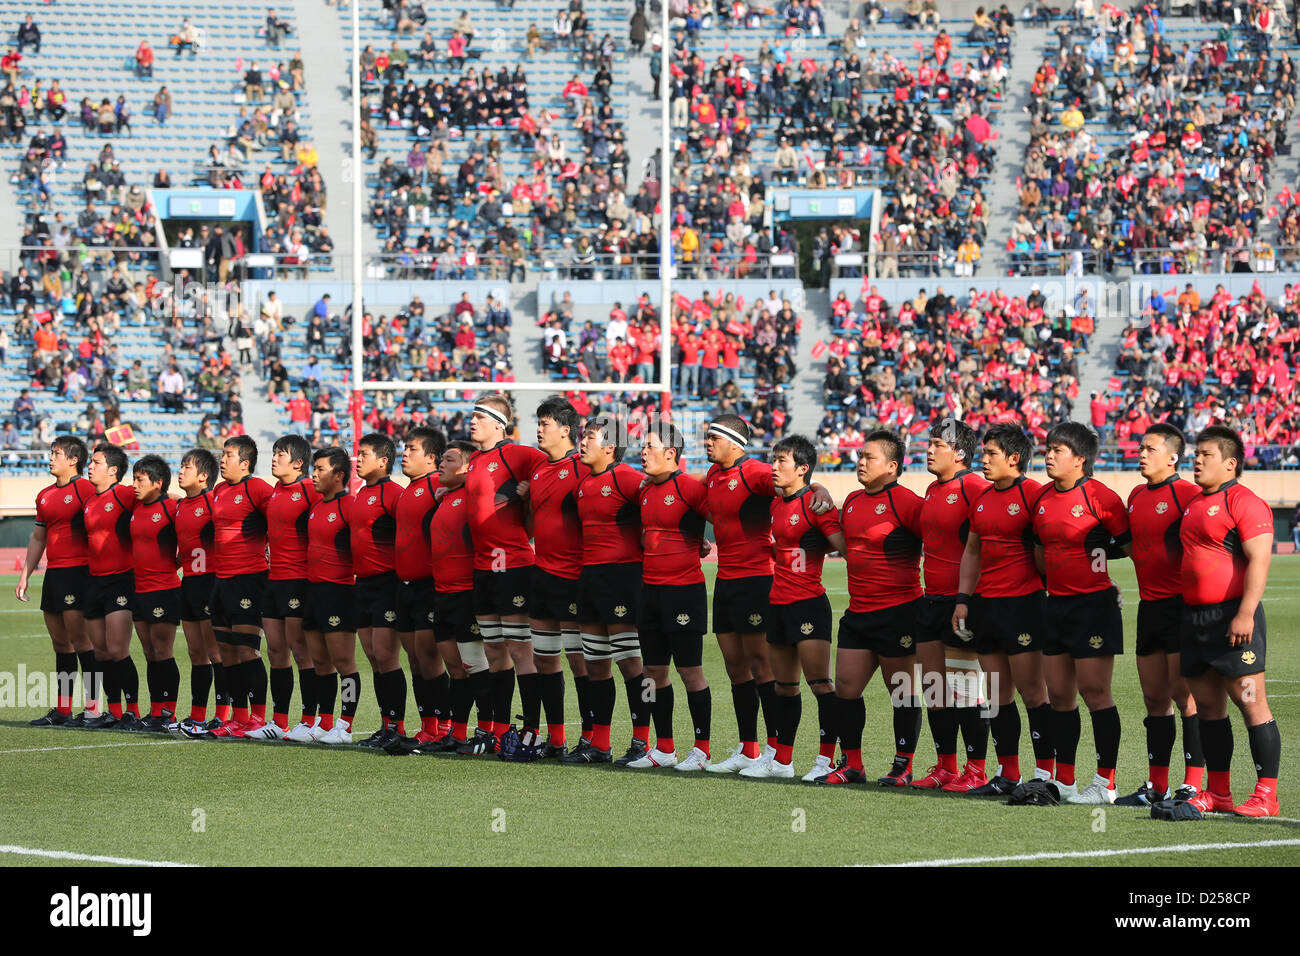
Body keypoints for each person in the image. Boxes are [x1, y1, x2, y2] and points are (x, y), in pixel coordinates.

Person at [702, 415, 834, 774]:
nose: (707, 442)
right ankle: (749, 750)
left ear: (734, 443)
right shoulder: (713, 477)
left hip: (758, 582)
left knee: (763, 667)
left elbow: (797, 482)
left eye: (713, 437)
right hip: (725, 582)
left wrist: (820, 487)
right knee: (734, 668)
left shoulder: (756, 472)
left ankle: (778, 752)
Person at [1181, 427, 1281, 817]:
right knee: (1208, 709)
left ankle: (1266, 794)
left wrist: (1245, 611)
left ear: (1230, 463)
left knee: (1252, 704)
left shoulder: (1245, 501)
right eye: (1196, 453)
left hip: (1233, 616)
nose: (1197, 459)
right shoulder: (1193, 503)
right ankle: (1218, 792)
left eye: (1206, 454)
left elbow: (1260, 559)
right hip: (1194, 620)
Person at [951, 424, 1055, 796]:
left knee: (1033, 692)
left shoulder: (1035, 495)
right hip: (987, 606)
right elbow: (973, 552)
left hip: (1025, 605)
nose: (984, 459)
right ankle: (1008, 773)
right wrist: (963, 599)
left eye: (991, 453)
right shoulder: (980, 498)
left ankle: (1045, 774)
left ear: (1014, 458)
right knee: (997, 694)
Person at [818, 431, 927, 786]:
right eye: (860, 456)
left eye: (870, 457)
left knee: (902, 691)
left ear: (892, 466)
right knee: (846, 690)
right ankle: (853, 765)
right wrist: (818, 488)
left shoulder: (907, 502)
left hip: (900, 613)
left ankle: (903, 765)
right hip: (858, 614)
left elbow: (939, 538)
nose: (861, 462)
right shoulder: (850, 500)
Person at [1031, 422, 1131, 804]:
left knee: (1095, 692)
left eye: (1059, 449)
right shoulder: (1041, 499)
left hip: (1093, 607)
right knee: (1059, 696)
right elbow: (1040, 552)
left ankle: (1105, 784)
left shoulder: (1101, 497)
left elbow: (1128, 546)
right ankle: (1065, 781)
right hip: (1055, 604)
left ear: (1081, 459)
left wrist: (1102, 576)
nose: (1050, 455)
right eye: (1049, 448)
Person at [739, 434, 845, 780]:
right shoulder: (775, 505)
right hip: (778, 605)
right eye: (773, 459)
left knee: (820, 685)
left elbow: (843, 545)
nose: (773, 466)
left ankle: (825, 761)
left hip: (809, 606)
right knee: (784, 687)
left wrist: (822, 494)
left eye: (781, 461)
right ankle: (783, 762)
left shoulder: (816, 505)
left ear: (802, 469)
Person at [1113, 424, 1205, 806]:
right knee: (1154, 699)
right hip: (1150, 608)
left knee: (1187, 698)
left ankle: (1193, 784)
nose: (1141, 453)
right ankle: (1157, 785)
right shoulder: (1135, 495)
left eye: (1150, 448)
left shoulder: (1189, 494)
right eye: (1140, 447)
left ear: (1173, 456)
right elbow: (1132, 547)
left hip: (1182, 608)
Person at [461, 394, 548, 755]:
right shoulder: (477, 458)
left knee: (520, 651)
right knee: (495, 651)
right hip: (483, 567)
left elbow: (556, 469)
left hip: (512, 565)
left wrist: (531, 491)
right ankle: (498, 729)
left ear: (498, 423)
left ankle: (531, 731)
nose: (472, 421)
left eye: (479, 416)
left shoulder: (520, 454)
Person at [562, 415, 651, 766]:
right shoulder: (584, 482)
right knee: (596, 665)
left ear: (610, 446)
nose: (583, 442)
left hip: (623, 579)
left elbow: (667, 499)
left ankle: (642, 742)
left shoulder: (629, 478)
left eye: (590, 437)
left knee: (631, 664)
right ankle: (599, 745)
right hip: (590, 579)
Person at [912, 418, 991, 791]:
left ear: (959, 453)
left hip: (962, 603)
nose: (928, 450)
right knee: (935, 690)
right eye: (928, 444)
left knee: (964, 690)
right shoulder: (931, 488)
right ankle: (945, 766)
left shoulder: (975, 486)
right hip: (930, 600)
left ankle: (976, 769)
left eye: (936, 445)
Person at [628, 421, 713, 770]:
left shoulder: (692, 489)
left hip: (684, 593)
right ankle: (663, 748)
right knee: (652, 672)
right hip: (649, 592)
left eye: (649, 446)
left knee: (690, 671)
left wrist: (816, 486)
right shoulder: (645, 490)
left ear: (670, 453)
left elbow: (723, 514)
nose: (642, 452)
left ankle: (702, 750)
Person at [519, 397, 590, 758]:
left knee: (580, 661)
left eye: (546, 423)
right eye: (539, 422)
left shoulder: (582, 468)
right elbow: (531, 527)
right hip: (541, 573)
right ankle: (557, 738)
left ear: (566, 430)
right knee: (545, 659)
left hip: (573, 577)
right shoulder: (537, 470)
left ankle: (591, 738)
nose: (540, 429)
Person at [16, 437, 100, 727]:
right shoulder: (44, 495)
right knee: (60, 644)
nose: (51, 458)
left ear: (73, 460)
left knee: (81, 640)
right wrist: (25, 575)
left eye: (56, 454)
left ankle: (92, 709)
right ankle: (63, 710)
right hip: (54, 574)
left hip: (80, 573)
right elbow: (38, 538)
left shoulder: (86, 489)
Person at [240, 435, 319, 741]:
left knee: (302, 652)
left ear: (298, 463)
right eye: (273, 453)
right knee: (276, 651)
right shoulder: (274, 491)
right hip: (274, 580)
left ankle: (310, 721)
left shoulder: (310, 490)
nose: (273, 459)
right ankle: (279, 721)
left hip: (300, 581)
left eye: (280, 454)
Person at [422, 439, 495, 752]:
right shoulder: (447, 497)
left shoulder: (473, 497)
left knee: (475, 666)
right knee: (454, 668)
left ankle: (488, 733)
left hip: (467, 593)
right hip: (443, 594)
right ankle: (459, 733)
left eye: (449, 459)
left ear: (467, 468)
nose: (441, 463)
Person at [390, 427, 453, 751]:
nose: (404, 453)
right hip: (405, 587)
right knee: (415, 659)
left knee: (429, 657)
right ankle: (427, 725)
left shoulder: (438, 487)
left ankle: (444, 725)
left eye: (411, 448)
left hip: (430, 586)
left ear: (431, 457)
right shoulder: (408, 491)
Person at [206, 436, 273, 739]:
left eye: (229, 455)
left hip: (249, 579)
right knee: (226, 652)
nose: (222, 459)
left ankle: (259, 717)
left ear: (245, 463)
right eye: (222, 454)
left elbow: (281, 516)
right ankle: (239, 717)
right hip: (221, 580)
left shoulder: (256, 488)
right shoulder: (219, 490)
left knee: (247, 651)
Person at [348, 433, 407, 750]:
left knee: (386, 656)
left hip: (387, 583)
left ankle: (396, 725)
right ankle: (385, 724)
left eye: (365, 454)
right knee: (373, 657)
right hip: (364, 584)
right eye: (358, 454)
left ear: (383, 461)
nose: (358, 459)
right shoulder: (360, 494)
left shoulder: (394, 494)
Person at [79, 443, 142, 729]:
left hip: (121, 580)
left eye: (96, 462)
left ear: (113, 470)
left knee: (118, 650)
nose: (90, 466)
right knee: (101, 652)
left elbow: (165, 499)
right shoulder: (90, 500)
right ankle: (113, 712)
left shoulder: (126, 494)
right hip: (94, 581)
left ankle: (133, 711)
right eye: (90, 462)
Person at [301, 446, 362, 744]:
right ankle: (324, 723)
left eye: (320, 469)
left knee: (343, 662)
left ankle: (345, 726)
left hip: (339, 592)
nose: (314, 474)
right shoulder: (315, 506)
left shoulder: (349, 506)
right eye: (314, 468)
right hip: (313, 591)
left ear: (338, 475)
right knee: (320, 662)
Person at [171, 448, 227, 736]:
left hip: (211, 582)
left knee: (215, 652)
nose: (180, 471)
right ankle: (197, 715)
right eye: (180, 466)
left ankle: (222, 715)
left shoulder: (214, 502)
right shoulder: (180, 506)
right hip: (189, 582)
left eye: (186, 467)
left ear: (203, 476)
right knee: (196, 653)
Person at [128, 454, 182, 729]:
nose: (135, 484)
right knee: (149, 652)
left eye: (140, 479)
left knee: (163, 651)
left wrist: (178, 561)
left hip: (164, 589)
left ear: (158, 483)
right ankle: (155, 710)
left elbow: (188, 538)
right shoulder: (135, 507)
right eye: (134, 478)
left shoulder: (172, 508)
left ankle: (169, 713)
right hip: (139, 589)